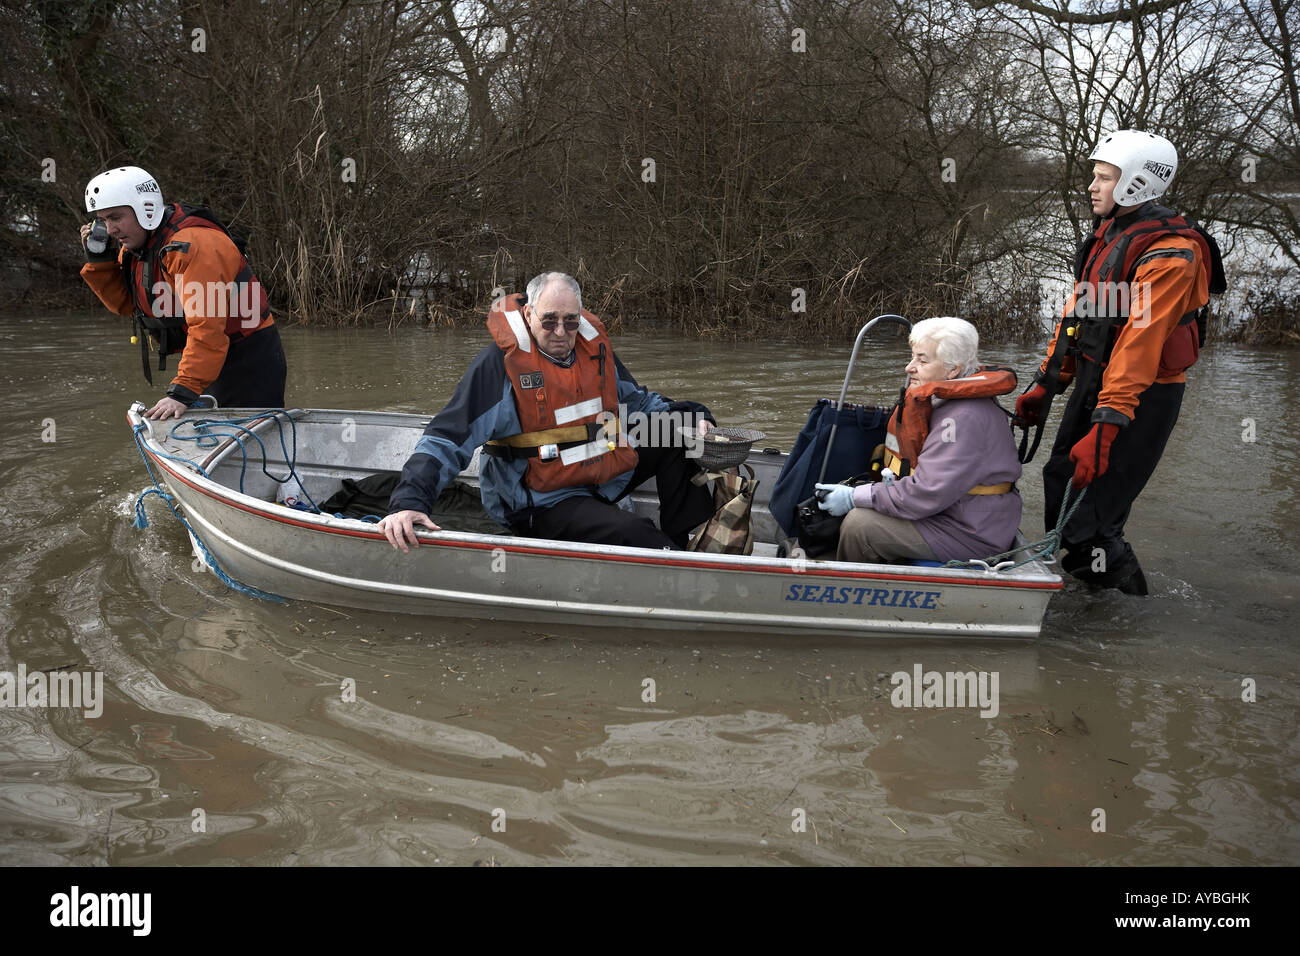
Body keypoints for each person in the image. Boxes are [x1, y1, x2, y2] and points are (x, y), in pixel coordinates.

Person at [1014, 130, 1223, 595]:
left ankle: (1126, 620)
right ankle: (1096, 605)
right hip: (1099, 380)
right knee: (1062, 490)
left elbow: (1140, 342)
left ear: (1136, 183)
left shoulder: (1173, 253)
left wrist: (1107, 426)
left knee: (1091, 525)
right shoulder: (1110, 234)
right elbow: (1080, 314)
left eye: (1104, 177)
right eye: (1094, 175)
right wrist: (1048, 383)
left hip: (1142, 395)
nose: (1091, 185)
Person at [379, 272, 716, 551]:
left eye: (571, 322)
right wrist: (409, 501)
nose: (560, 333)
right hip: (541, 501)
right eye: (550, 320)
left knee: (679, 433)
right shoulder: (499, 367)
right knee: (637, 535)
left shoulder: (593, 351)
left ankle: (681, 542)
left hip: (599, 477)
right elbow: (446, 439)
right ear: (529, 315)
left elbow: (641, 404)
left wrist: (696, 417)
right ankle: (661, 553)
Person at [79, 165, 287, 419]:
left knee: (249, 441)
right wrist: (99, 263)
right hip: (207, 354)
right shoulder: (137, 246)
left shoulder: (194, 247)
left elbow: (208, 328)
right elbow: (126, 305)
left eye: (115, 217)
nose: (109, 230)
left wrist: (181, 392)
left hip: (247, 355)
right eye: (102, 220)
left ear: (144, 208)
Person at [814, 317, 1022, 564]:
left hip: (969, 533)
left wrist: (853, 497)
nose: (909, 367)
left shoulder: (962, 419)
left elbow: (926, 493)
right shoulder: (943, 402)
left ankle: (849, 595)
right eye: (913, 357)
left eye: (922, 360)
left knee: (860, 525)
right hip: (949, 513)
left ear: (953, 369)